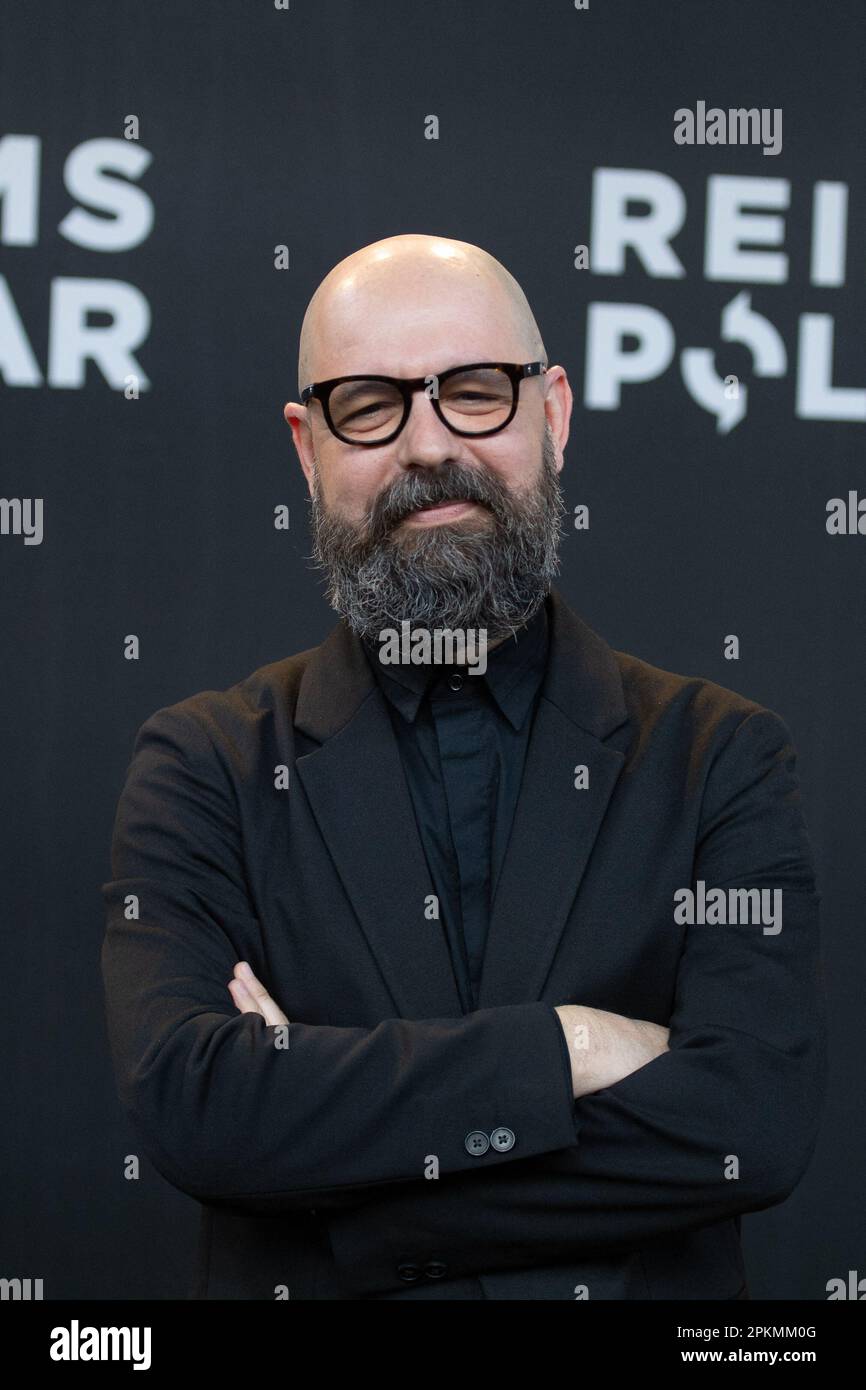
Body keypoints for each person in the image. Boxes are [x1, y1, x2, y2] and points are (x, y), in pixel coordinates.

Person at [100, 234, 827, 1300]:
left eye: (474, 391)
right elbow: (199, 1110)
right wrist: (568, 1047)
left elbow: (748, 1127)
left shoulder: (719, 757)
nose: (427, 444)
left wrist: (334, 1178)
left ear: (553, 412)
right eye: (368, 405)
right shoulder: (204, 764)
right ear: (307, 448)